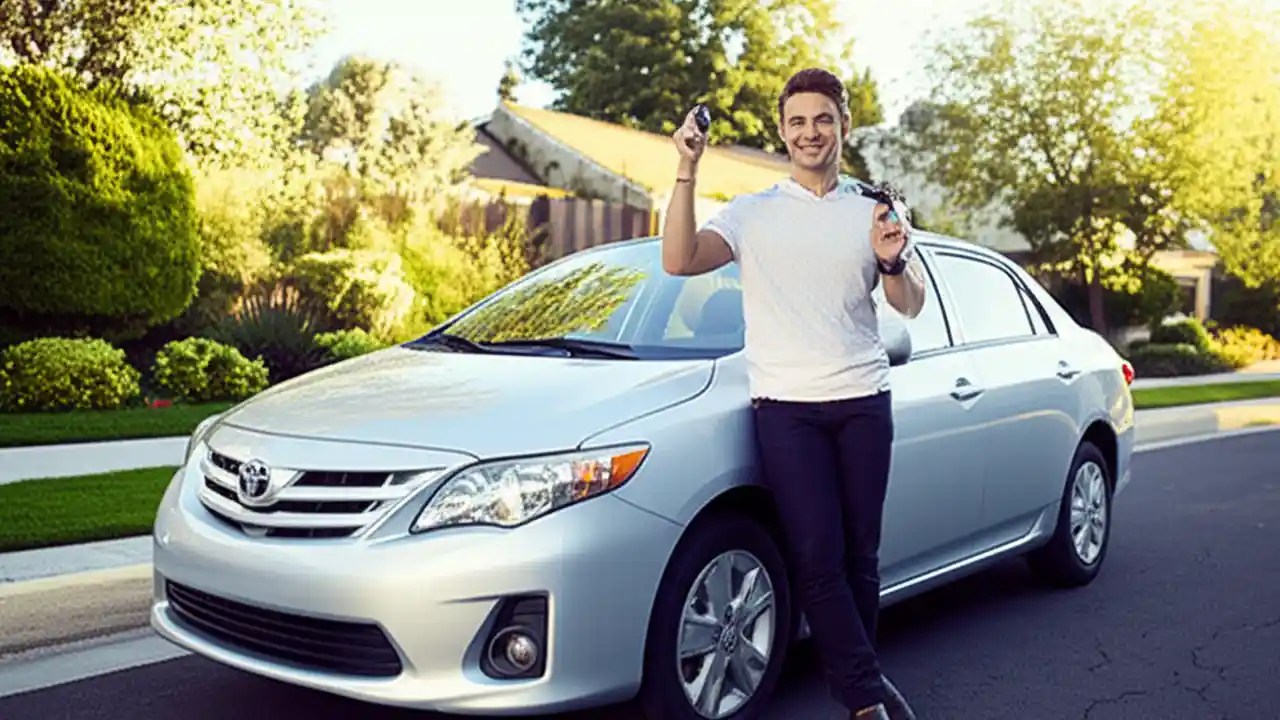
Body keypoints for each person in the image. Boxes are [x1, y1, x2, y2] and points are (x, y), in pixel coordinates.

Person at [661, 67, 927, 720]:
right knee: (816, 557)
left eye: (823, 119)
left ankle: (857, 686)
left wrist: (893, 260)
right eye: (798, 122)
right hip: (787, 411)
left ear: (844, 126)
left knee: (860, 557)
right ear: (782, 131)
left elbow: (910, 303)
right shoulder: (753, 214)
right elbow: (678, 259)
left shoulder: (873, 209)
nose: (811, 132)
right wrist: (686, 170)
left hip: (864, 400)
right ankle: (869, 697)